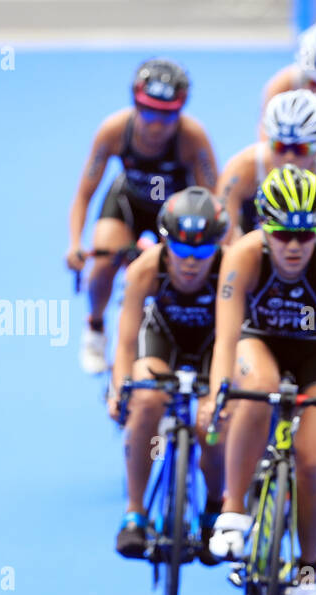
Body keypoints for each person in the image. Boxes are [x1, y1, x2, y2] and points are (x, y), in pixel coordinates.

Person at [204, 166, 316, 595]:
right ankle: (233, 508)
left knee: (312, 460)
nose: (294, 246)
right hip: (259, 344)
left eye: (305, 234)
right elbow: (226, 339)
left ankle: (308, 572)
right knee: (256, 390)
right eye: (284, 234)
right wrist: (215, 396)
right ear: (264, 229)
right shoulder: (243, 255)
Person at [67, 58, 219, 375]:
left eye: (167, 115)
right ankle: (95, 327)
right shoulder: (113, 131)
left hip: (179, 215)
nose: (155, 124)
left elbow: (215, 203)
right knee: (102, 264)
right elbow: (84, 194)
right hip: (129, 204)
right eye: (148, 111)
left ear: (180, 112)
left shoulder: (193, 138)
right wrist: (74, 244)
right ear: (135, 103)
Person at [108, 188, 230, 561]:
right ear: (165, 243)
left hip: (213, 346)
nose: (192, 263)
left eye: (203, 252)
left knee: (216, 421)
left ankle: (213, 509)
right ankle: (135, 513)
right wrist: (118, 390)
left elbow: (230, 337)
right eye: (182, 252)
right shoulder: (145, 269)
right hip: (162, 340)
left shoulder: (231, 269)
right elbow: (127, 342)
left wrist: (217, 397)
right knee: (145, 400)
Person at [218, 89, 316, 263]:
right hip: (252, 254)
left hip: (306, 256)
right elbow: (220, 247)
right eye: (280, 147)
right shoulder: (242, 169)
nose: (289, 157)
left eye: (300, 149)